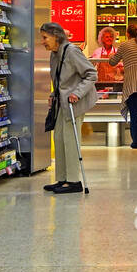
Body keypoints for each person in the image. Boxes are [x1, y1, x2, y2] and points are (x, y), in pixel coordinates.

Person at [38, 21, 98, 194]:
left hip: (74, 103)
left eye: (45, 37)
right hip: (61, 103)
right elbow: (59, 80)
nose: (43, 41)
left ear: (56, 36)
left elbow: (91, 74)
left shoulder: (72, 51)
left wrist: (77, 93)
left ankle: (74, 181)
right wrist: (53, 95)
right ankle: (62, 178)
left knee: (71, 142)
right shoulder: (55, 53)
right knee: (59, 139)